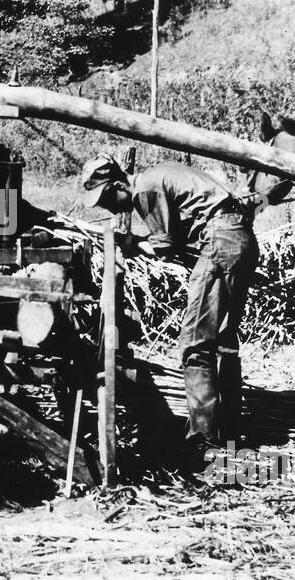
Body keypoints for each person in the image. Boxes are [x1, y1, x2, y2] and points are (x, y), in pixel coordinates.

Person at [80, 154, 259, 470]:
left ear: (119, 183)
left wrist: (132, 242)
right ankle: (229, 434)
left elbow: (164, 247)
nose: (107, 207)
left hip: (220, 240)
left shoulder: (145, 188)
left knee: (195, 344)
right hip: (238, 236)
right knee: (223, 343)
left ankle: (204, 443)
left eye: (107, 197)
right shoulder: (158, 175)